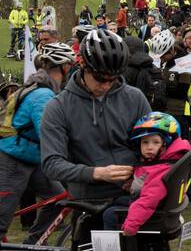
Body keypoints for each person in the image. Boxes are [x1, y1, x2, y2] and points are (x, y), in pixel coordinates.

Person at [39, 30, 151, 229]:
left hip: (134, 199)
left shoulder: (135, 98)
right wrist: (95, 173)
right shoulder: (58, 107)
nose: (107, 85)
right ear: (82, 65)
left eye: (114, 78)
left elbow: (154, 145)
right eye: (100, 78)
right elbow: (52, 163)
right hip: (90, 203)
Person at [0, 43, 74, 240]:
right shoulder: (43, 95)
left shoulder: (38, 88)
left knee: (59, 200)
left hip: (32, 159)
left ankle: (31, 246)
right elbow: (49, 134)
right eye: (70, 66)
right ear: (64, 67)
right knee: (1, 220)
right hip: (13, 159)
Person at [112, 113, 191, 251]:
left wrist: (131, 226)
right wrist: (133, 183)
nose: (149, 147)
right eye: (145, 142)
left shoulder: (162, 169)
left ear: (165, 144)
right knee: (117, 200)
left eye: (155, 142)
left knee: (109, 214)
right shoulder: (164, 161)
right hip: (160, 209)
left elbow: (149, 199)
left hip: (154, 213)